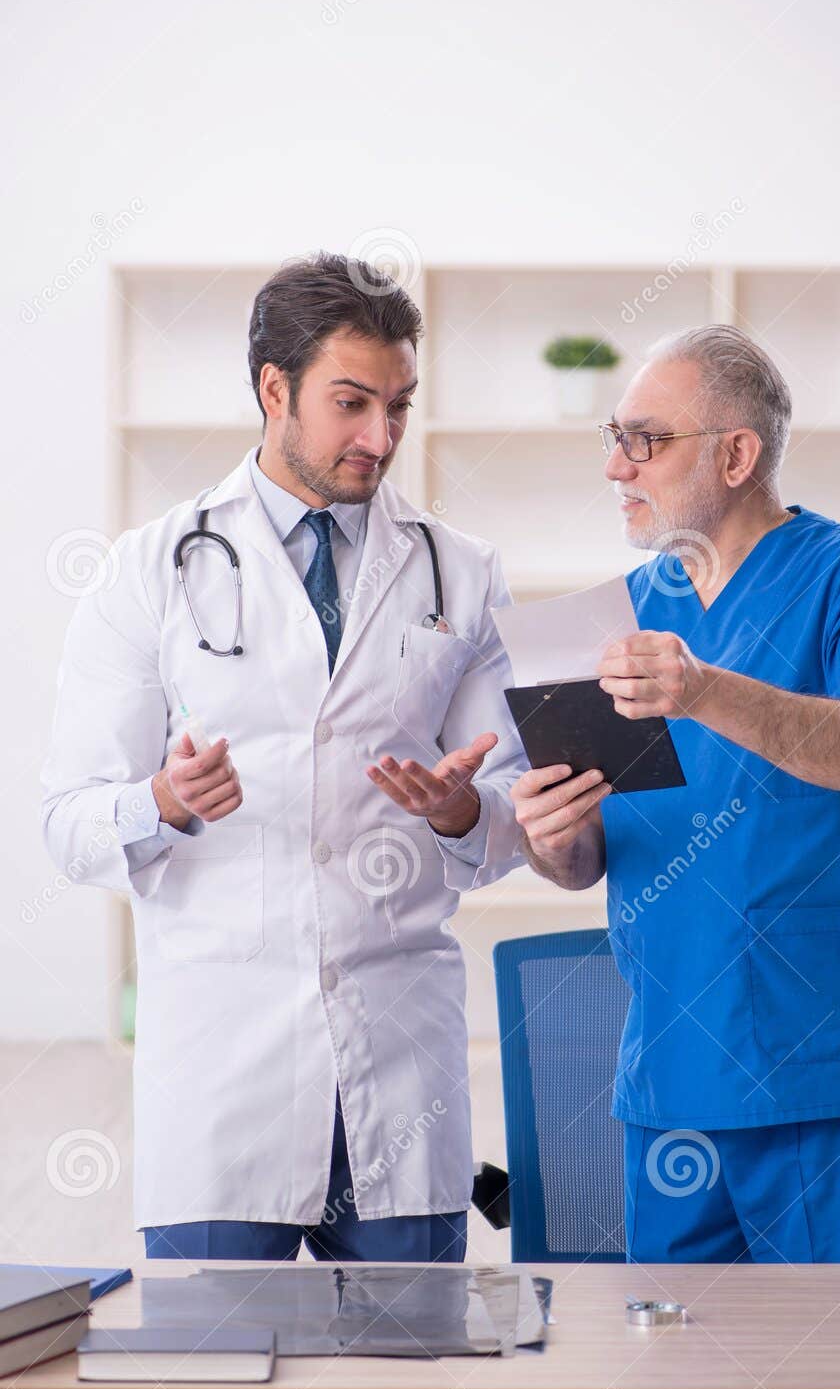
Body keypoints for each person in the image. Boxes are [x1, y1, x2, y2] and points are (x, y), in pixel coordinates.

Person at [41, 251, 525, 1262]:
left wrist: (459, 811)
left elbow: (516, 804)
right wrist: (162, 803)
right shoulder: (149, 569)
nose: (380, 437)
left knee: (410, 1383)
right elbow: (68, 821)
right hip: (226, 1061)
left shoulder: (460, 571)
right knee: (213, 1386)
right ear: (274, 388)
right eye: (351, 403)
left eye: (398, 405)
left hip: (398, 1055)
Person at [512, 324, 840, 1264]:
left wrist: (706, 690)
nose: (614, 466)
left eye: (644, 439)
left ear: (736, 454)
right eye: (612, 437)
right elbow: (591, 851)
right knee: (677, 1387)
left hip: (835, 1070)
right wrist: (552, 839)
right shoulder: (623, 615)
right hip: (672, 1078)